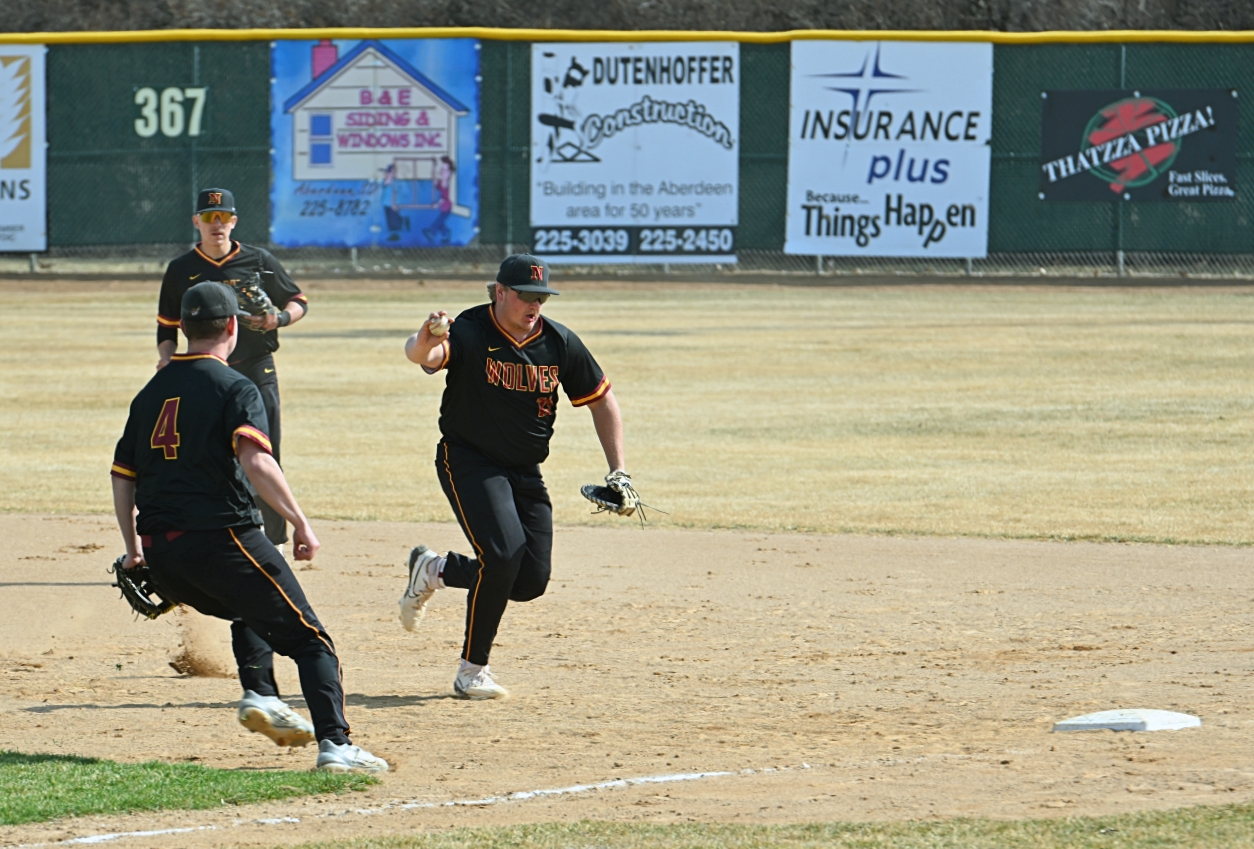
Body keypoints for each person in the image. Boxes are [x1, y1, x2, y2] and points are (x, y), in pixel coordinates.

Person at [112, 281, 386, 772]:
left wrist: (135, 550)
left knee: (250, 607)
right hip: (224, 538)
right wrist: (301, 523)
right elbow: (256, 462)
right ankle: (337, 746)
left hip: (165, 556)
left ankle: (260, 693)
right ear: (233, 327)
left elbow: (122, 478)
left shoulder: (149, 392)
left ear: (183, 329)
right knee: (311, 641)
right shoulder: (237, 386)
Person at [399, 254, 628, 699]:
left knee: (528, 580)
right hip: (469, 460)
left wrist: (617, 470)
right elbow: (424, 354)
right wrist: (424, 338)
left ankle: (434, 569)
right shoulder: (470, 328)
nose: (534, 305)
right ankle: (471, 672)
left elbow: (602, 400)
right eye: (526, 296)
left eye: (541, 297)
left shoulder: (558, 342)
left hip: (525, 471)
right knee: (502, 555)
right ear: (500, 292)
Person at [156, 188, 308, 551]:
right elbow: (166, 325)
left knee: (265, 452)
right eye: (209, 217)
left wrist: (280, 318)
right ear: (197, 222)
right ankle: (215, 534)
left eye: (223, 217)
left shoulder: (258, 260)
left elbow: (298, 300)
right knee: (206, 455)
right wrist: (166, 359)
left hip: (255, 368)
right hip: (204, 373)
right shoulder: (181, 270)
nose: (217, 224)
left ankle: (274, 544)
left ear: (234, 221)